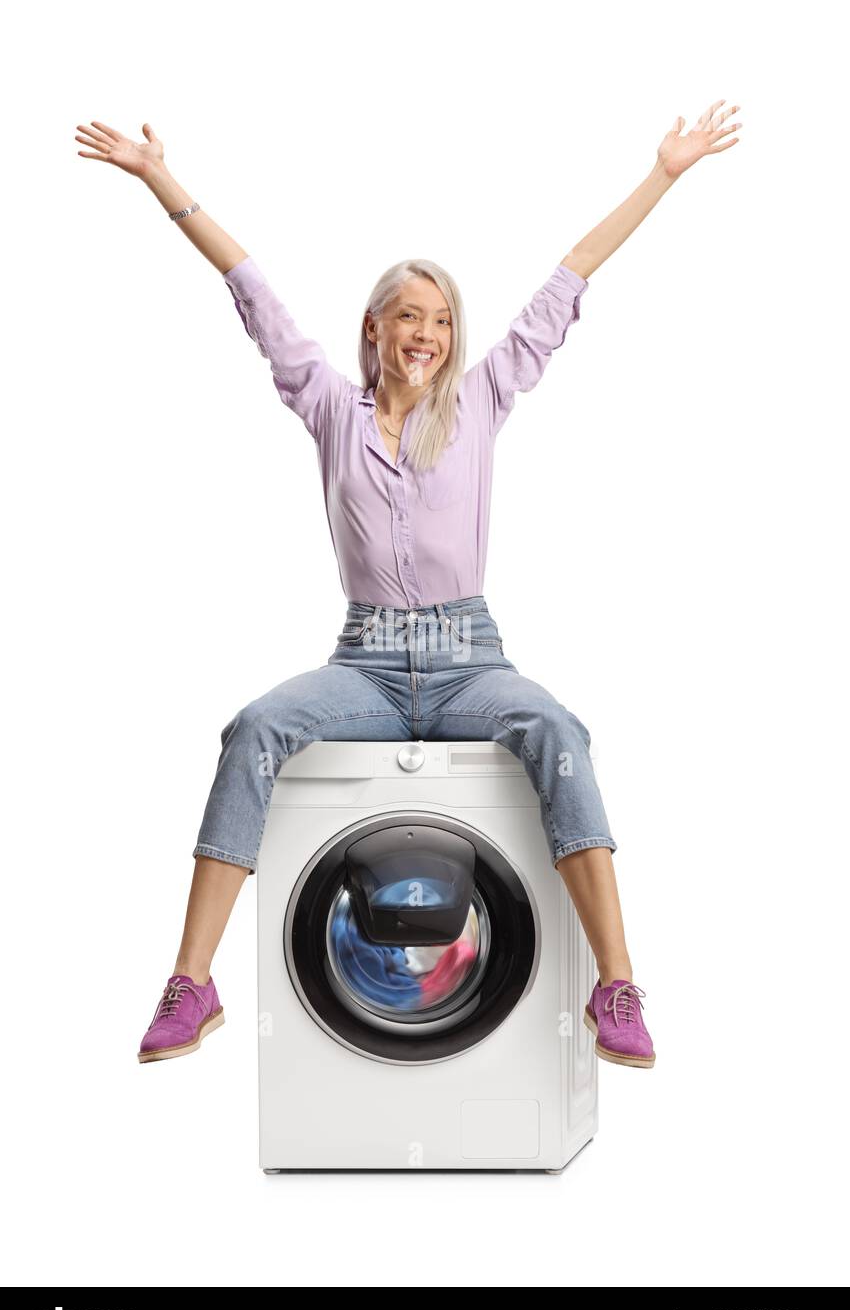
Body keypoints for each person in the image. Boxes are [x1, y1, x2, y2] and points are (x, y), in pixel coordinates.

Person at [75, 104, 741, 1071]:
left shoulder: (483, 398)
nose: (426, 335)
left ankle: (618, 986)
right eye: (408, 318)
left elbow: (571, 276)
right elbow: (249, 286)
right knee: (254, 728)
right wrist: (157, 179)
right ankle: (192, 984)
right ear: (375, 330)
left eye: (440, 321)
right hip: (366, 667)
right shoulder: (325, 401)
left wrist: (665, 172)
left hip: (472, 661)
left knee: (558, 730)